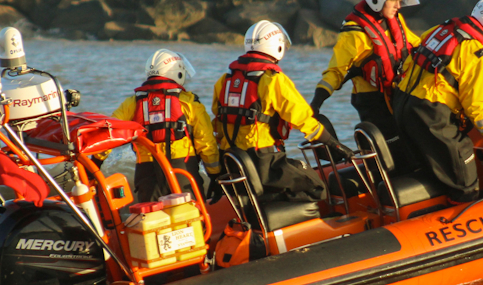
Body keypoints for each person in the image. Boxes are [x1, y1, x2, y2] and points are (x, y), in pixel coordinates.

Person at [393, 0, 483, 203]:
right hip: (430, 114)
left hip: (402, 102)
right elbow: (476, 109)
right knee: (464, 176)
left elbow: (415, 56)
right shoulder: (479, 53)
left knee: (429, 167)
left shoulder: (443, 28)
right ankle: (464, 213)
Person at [213, 20, 352, 202]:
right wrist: (335, 145)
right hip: (265, 163)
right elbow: (304, 119)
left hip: (232, 162)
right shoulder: (274, 80)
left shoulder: (225, 80)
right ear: (276, 46)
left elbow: (216, 122)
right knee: (316, 185)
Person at [309, 0, 420, 167]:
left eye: (399, 0)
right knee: (395, 154)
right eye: (393, 0)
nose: (398, 5)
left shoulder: (394, 20)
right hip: (373, 104)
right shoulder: (354, 34)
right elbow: (335, 71)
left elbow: (415, 43)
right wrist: (316, 103)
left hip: (397, 95)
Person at [111, 49, 220, 202]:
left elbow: (108, 131)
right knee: (193, 220)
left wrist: (96, 161)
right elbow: (206, 143)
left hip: (147, 175)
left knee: (151, 220)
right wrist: (215, 174)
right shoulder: (190, 103)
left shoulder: (132, 103)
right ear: (178, 73)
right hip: (183, 172)